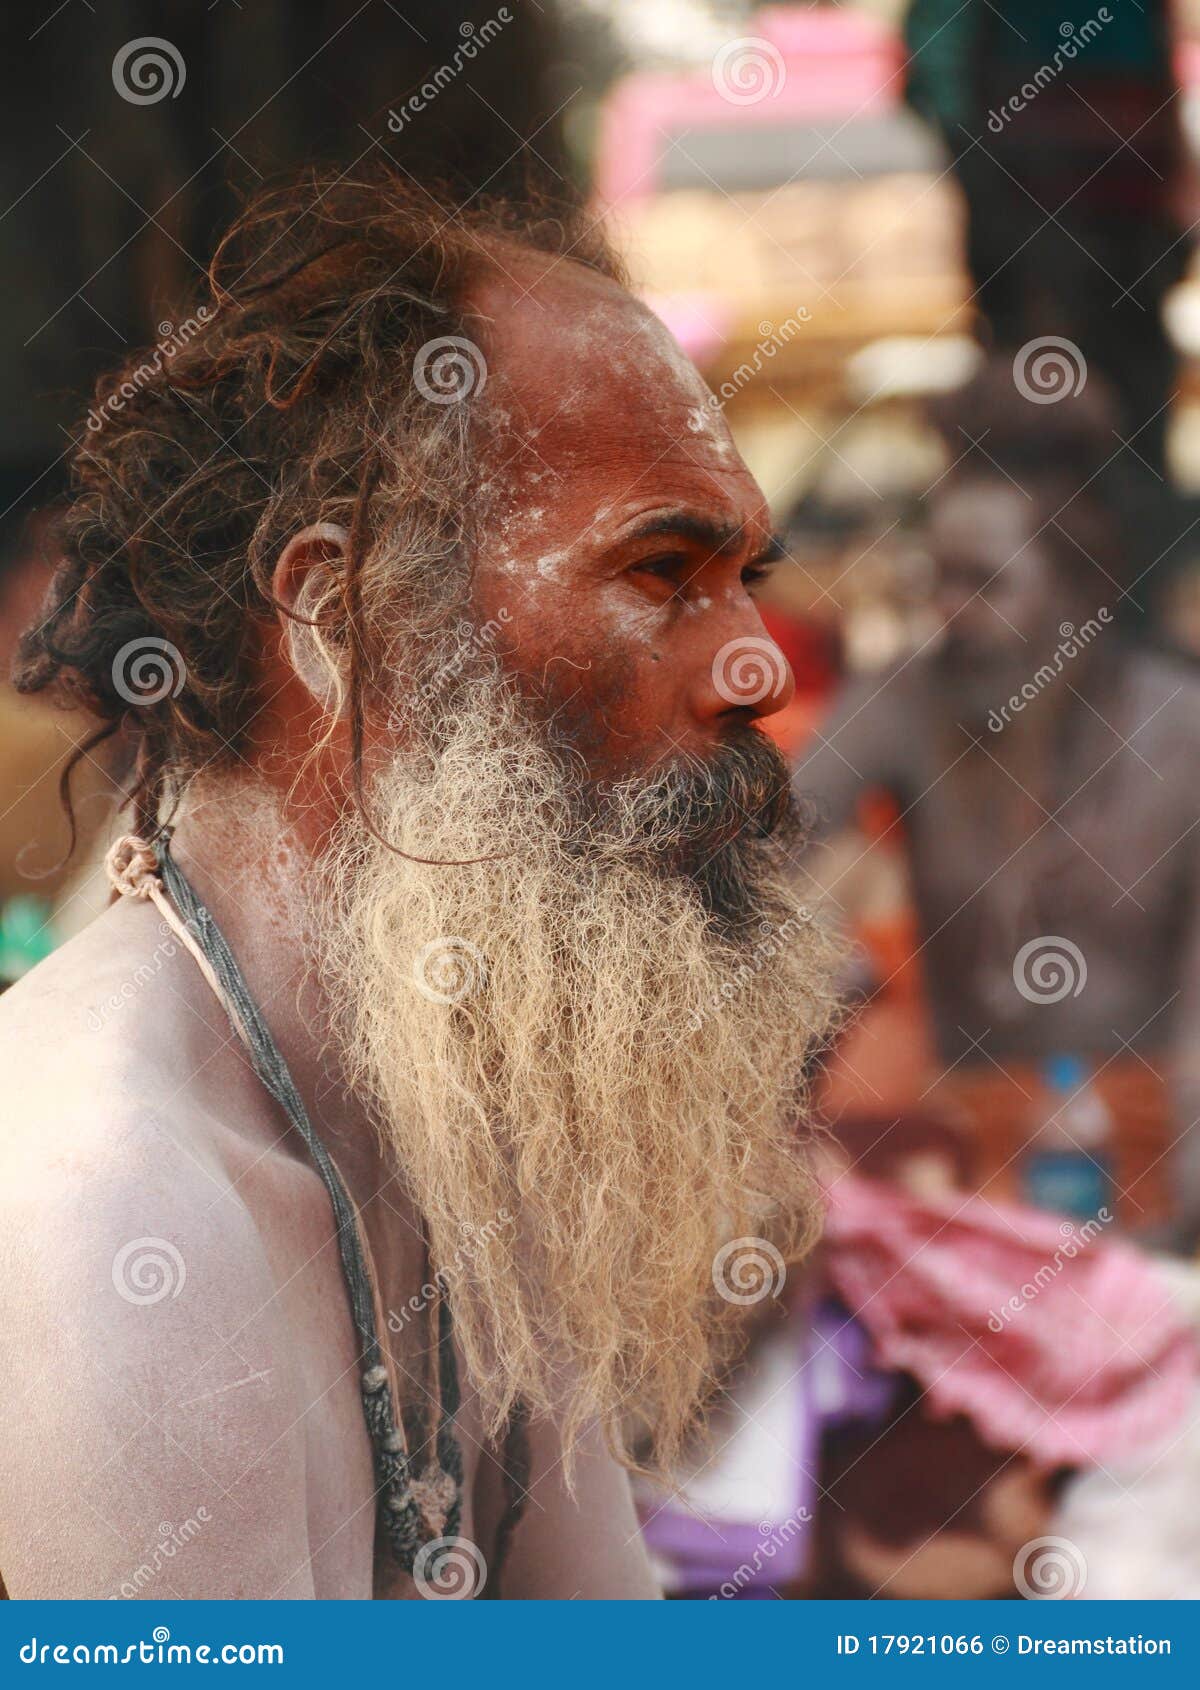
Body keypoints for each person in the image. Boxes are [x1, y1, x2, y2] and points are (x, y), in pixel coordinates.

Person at [0, 171, 836, 1600]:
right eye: (660, 571)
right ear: (348, 615)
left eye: (745, 574)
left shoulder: (449, 1087)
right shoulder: (111, 1203)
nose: (755, 665)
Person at [795, 363, 1200, 1250]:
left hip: (1161, 1189)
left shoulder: (1183, 731)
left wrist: (1167, 1235)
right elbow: (758, 854)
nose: (952, 613)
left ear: (1082, 590)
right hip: (969, 1194)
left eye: (986, 583)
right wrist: (810, 969)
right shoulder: (906, 700)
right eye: (939, 580)